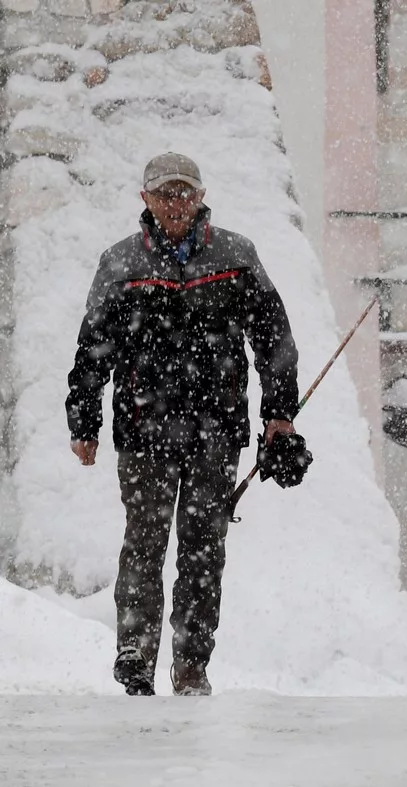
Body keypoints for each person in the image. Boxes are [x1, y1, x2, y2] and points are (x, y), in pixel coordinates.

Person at [65, 152, 301, 696]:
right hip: (144, 431)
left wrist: (279, 415)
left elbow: (274, 342)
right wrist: (84, 420)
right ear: (144, 199)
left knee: (203, 546)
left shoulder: (237, 256)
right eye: (165, 193)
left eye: (185, 193)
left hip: (216, 433)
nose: (176, 203)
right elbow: (93, 348)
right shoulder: (120, 263)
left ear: (200, 197)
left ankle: (192, 662)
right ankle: (136, 653)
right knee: (144, 542)